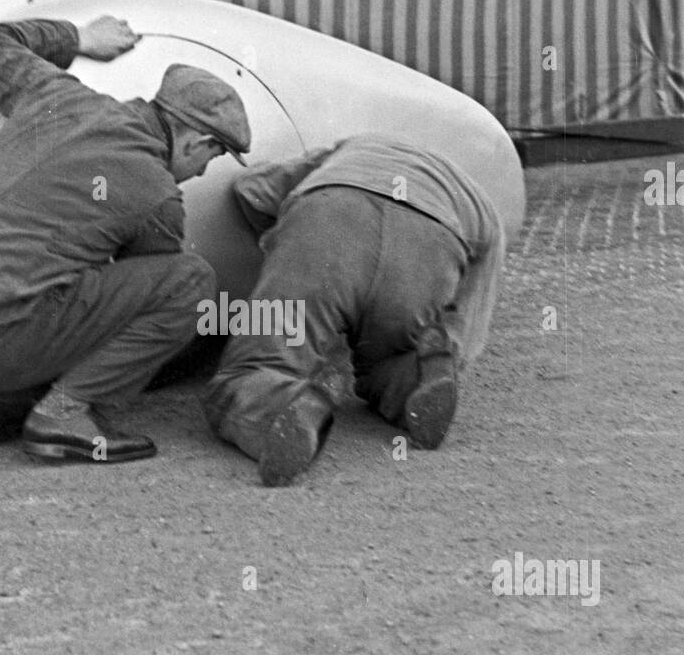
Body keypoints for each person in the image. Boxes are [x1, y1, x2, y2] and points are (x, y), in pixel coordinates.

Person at [0, 16, 252, 464]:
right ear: (197, 142)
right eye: (213, 157)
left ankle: (10, 399)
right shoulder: (156, 194)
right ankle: (62, 413)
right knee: (189, 284)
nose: (202, 172)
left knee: (58, 269)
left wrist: (81, 38)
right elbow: (134, 313)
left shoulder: (55, 93)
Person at [204, 135, 505, 486]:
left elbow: (251, 188)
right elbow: (472, 310)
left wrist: (283, 257)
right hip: (431, 239)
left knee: (256, 367)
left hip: (330, 216)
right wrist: (452, 352)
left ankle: (284, 407)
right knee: (392, 356)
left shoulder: (352, 147)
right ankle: (415, 381)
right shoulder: (478, 203)